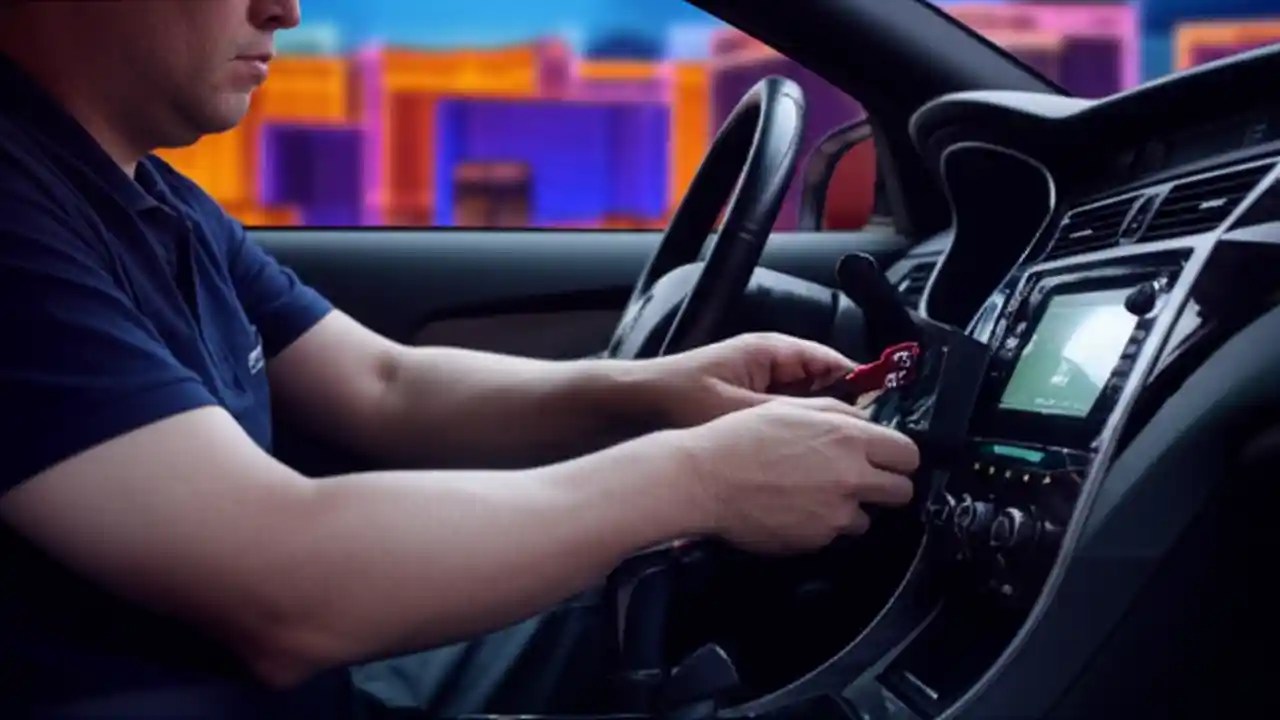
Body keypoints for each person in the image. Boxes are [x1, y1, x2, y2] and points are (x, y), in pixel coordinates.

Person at [0, 0, 919, 717]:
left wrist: (658, 391)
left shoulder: (149, 196)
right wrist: (704, 480)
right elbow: (282, 586)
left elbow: (383, 384)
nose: (285, 9)